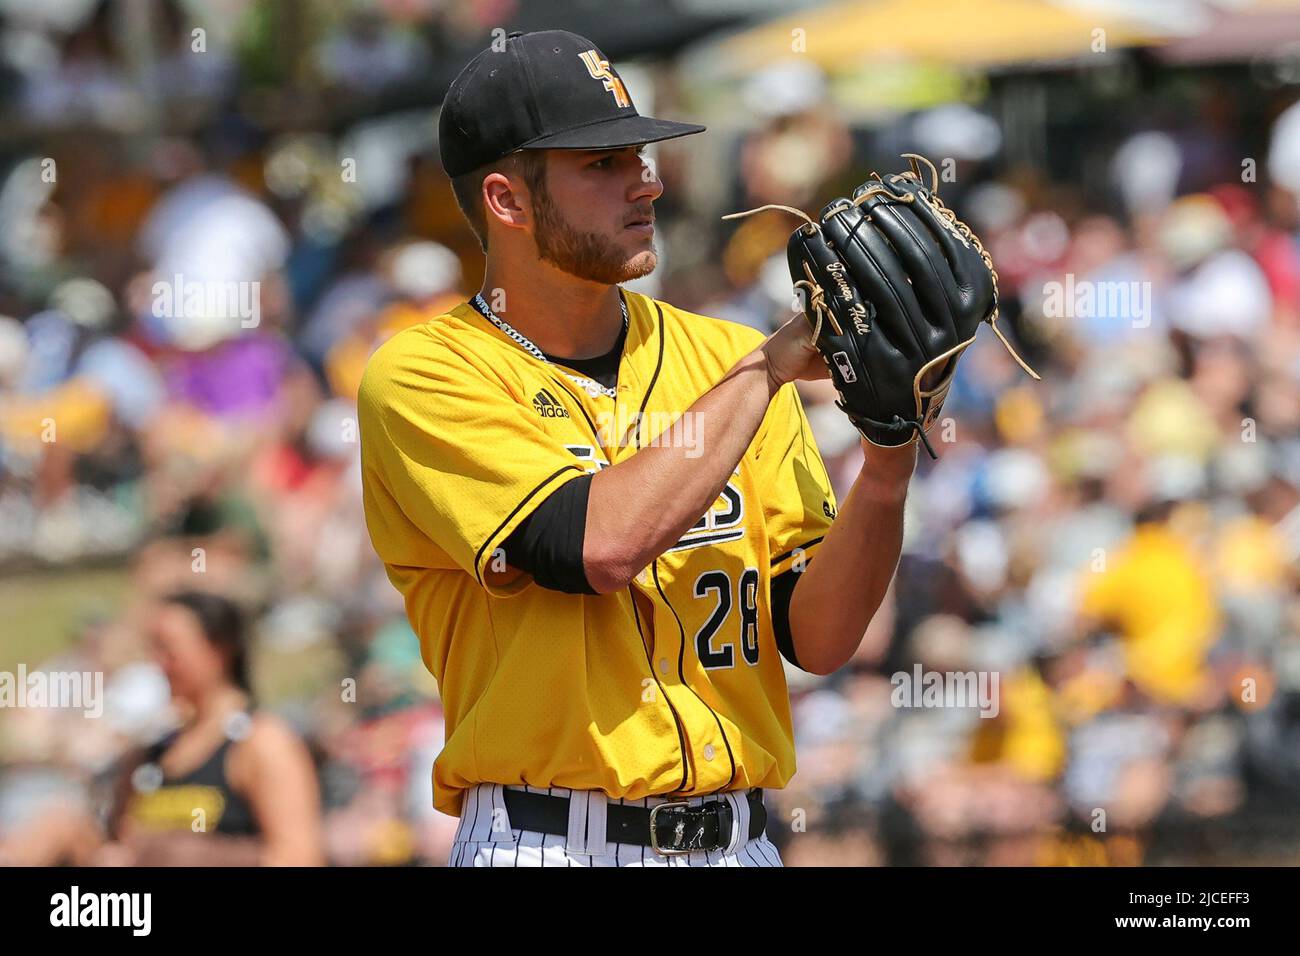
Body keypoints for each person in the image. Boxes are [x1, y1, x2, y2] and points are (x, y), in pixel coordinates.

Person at [357, 30, 918, 866]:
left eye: (640, 155)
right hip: (549, 840)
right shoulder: (424, 374)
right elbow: (597, 545)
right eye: (601, 163)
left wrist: (888, 455)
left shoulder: (723, 359)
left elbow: (821, 637)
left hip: (739, 839)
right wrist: (765, 371)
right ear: (508, 201)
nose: (644, 181)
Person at [0, 591, 325, 866]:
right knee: (57, 821)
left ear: (219, 649)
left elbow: (298, 855)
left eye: (168, 648)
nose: (157, 662)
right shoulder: (153, 750)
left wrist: (191, 854)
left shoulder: (261, 741)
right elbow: (119, 844)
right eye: (153, 648)